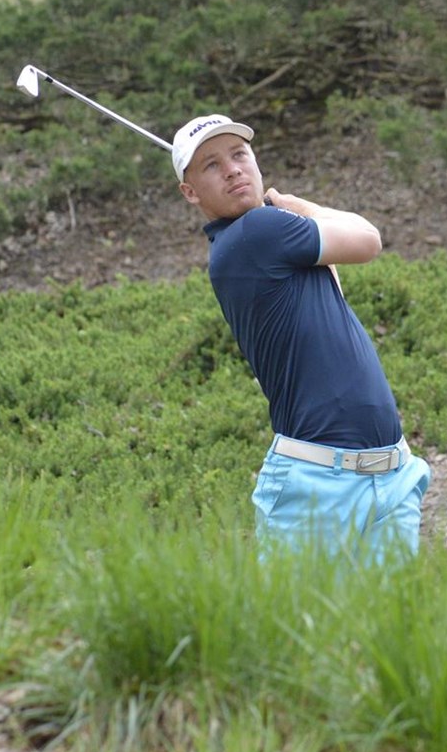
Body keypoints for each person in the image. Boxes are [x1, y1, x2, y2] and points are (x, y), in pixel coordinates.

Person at [171, 112, 431, 558]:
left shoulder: (262, 242)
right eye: (211, 165)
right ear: (190, 192)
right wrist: (298, 205)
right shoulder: (257, 231)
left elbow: (334, 281)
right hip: (320, 487)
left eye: (239, 154)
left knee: (381, 630)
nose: (232, 168)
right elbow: (368, 240)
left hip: (387, 474)